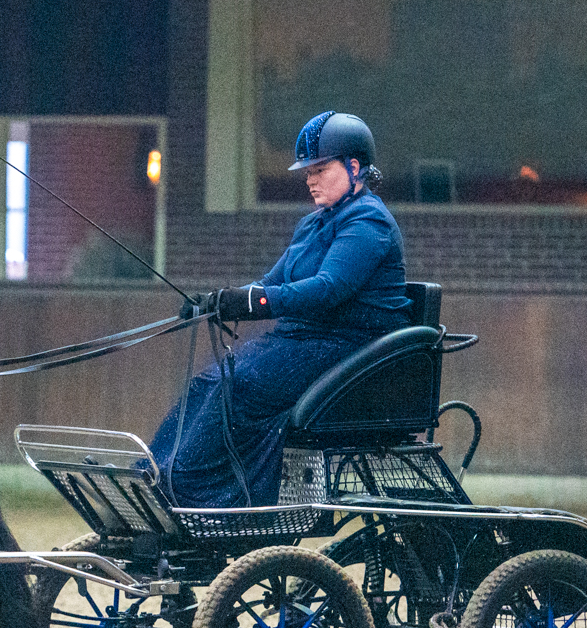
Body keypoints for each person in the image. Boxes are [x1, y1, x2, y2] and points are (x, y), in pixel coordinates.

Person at [148, 111, 411, 508]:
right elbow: (272, 282)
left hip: (347, 347)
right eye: (308, 171)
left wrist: (254, 302)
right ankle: (152, 472)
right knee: (209, 380)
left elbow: (328, 289)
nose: (310, 179)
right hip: (300, 340)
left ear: (354, 167)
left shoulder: (369, 220)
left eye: (320, 169)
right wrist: (220, 300)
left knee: (240, 387)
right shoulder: (312, 225)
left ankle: (189, 492)